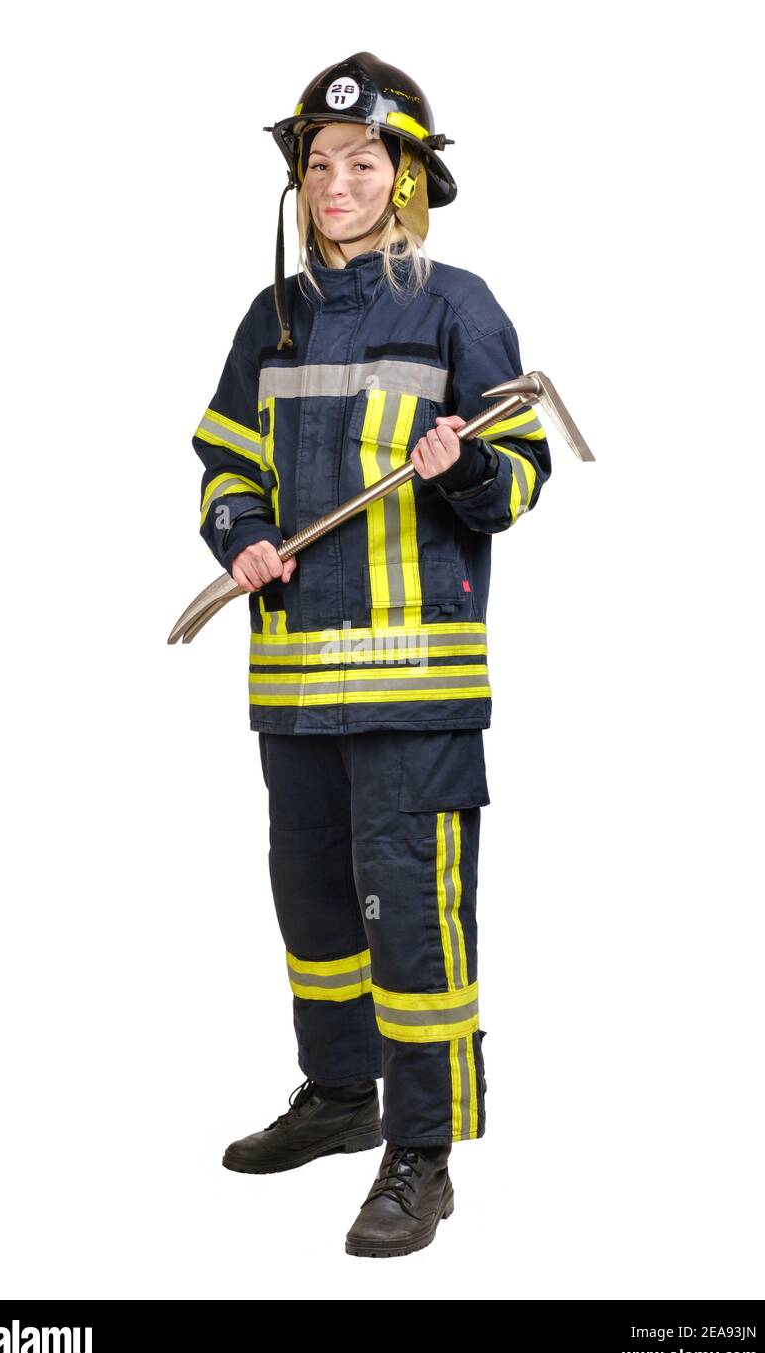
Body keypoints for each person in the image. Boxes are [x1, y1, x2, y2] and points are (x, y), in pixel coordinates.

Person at [190, 52, 552, 1257]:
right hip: (292, 692)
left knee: (413, 924)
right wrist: (242, 536)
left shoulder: (457, 305)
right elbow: (227, 462)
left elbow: (522, 476)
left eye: (360, 164)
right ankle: (342, 1097)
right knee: (316, 909)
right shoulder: (272, 320)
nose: (331, 184)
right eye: (315, 166)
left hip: (415, 698)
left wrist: (472, 465)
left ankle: (423, 1149)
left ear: (406, 183)